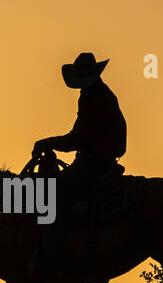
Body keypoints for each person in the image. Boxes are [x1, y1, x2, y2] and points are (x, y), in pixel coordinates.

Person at [31, 52, 126, 188]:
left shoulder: (96, 99)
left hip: (95, 161)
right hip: (99, 158)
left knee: (56, 189)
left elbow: (78, 139)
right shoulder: (96, 95)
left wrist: (48, 143)